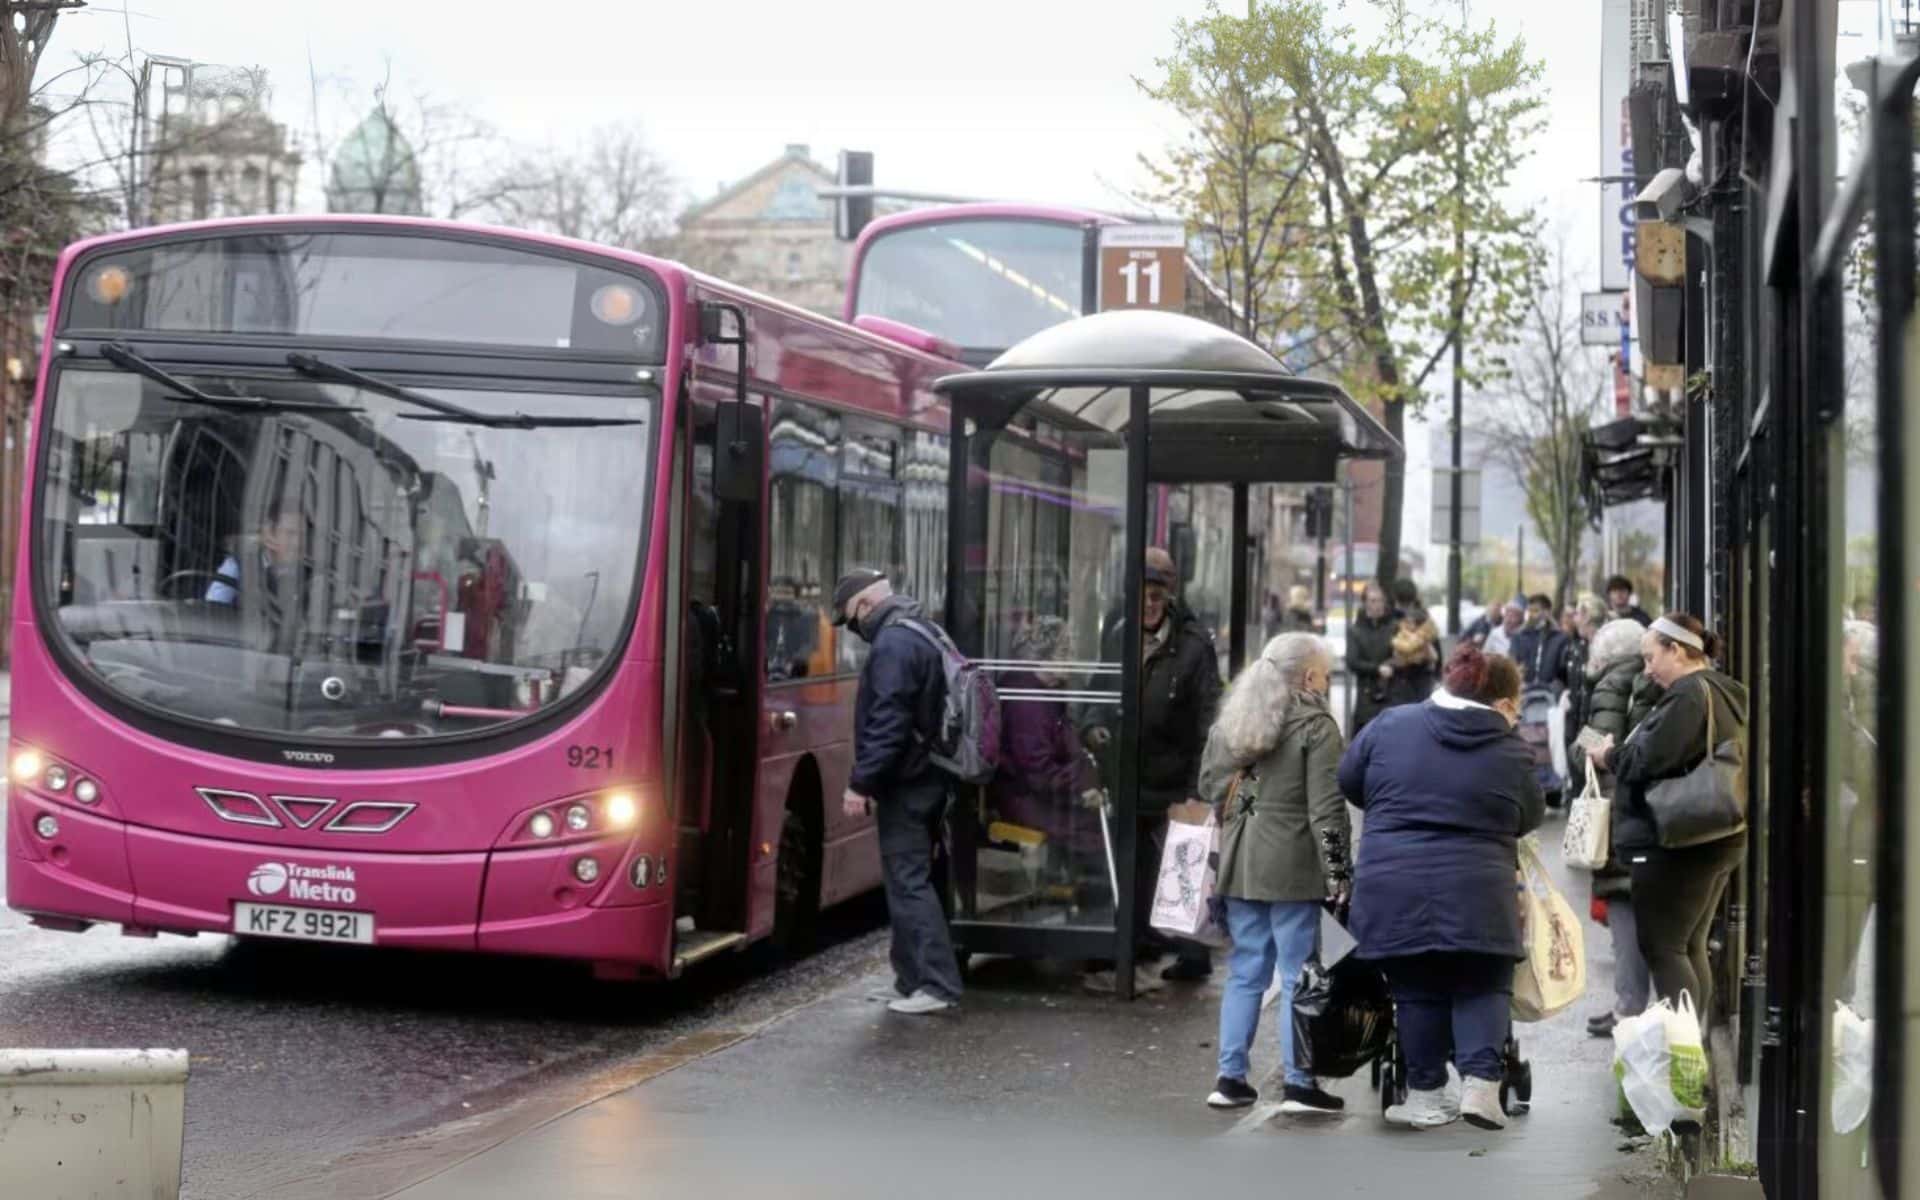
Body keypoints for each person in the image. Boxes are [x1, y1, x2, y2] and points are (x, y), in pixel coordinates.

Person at [1338, 645, 1543, 1131]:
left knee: (1416, 987)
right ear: (1503, 701)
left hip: (1393, 886)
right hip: (1479, 889)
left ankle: (1427, 1095)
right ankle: (1479, 1087)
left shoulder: (1390, 724)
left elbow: (1348, 779)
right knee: (1482, 982)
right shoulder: (1511, 750)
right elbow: (1529, 816)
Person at [1196, 633, 1348, 1115]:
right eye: (1324, 674)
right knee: (1297, 972)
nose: (1325, 683)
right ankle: (1300, 1083)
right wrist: (1339, 871)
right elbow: (1326, 809)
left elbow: (1208, 785)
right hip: (1292, 868)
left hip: (1241, 865)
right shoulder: (1316, 726)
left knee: (1245, 972)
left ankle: (1230, 1078)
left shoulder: (1235, 720)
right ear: (1307, 677)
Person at [1588, 612, 1747, 1029]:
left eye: (1650, 657)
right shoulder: (1719, 689)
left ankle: (1682, 1058)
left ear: (1676, 650)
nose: (1647, 669)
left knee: (1663, 947)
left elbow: (1649, 759)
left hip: (1676, 842)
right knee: (1687, 945)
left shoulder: (1688, 695)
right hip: (1712, 836)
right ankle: (1689, 1050)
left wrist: (1608, 754)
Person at [1083, 546, 1223, 992]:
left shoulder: (1194, 645)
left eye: (1157, 594)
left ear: (1170, 595)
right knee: (1138, 863)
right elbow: (1097, 692)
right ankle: (1138, 941)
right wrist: (1091, 727)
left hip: (1176, 770)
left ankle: (1192, 953)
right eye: (1142, 593)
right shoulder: (1118, 633)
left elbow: (1208, 715)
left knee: (1181, 861)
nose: (1149, 603)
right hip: (1130, 769)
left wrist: (1198, 782)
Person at [833, 568, 964, 1016]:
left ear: (866, 606)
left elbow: (889, 721)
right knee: (911, 879)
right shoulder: (922, 628)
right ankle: (911, 980)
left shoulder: (893, 643)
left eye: (852, 620)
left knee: (908, 883)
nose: (856, 630)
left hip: (908, 783)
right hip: (929, 776)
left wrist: (860, 783)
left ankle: (936, 984)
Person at [1578, 614, 1655, 1038]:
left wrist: (1580, 748)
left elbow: (1595, 747)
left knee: (1623, 906)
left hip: (1617, 811)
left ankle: (1630, 1006)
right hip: (1645, 813)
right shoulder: (1649, 680)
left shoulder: (1611, 683)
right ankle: (1641, 1005)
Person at [206, 509, 306, 606]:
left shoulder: (309, 575)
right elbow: (212, 611)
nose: (298, 542)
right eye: (290, 534)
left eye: (303, 535)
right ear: (271, 534)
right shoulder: (237, 566)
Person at [1345, 581, 1397, 734]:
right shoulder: (1356, 631)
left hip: (1391, 693)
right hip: (1366, 696)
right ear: (1365, 603)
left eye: (1381, 600)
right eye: (1373, 601)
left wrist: (1392, 664)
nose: (1378, 605)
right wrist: (1377, 669)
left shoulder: (1393, 627)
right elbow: (1352, 661)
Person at [1384, 578, 1439, 706]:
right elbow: (1437, 657)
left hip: (1399, 682)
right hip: (1423, 682)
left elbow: (1386, 651)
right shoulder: (1426, 620)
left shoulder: (1391, 621)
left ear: (1395, 599)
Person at [1509, 594, 1571, 696]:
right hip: (1523, 694)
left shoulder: (1561, 639)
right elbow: (1512, 664)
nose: (1531, 615)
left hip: (1550, 696)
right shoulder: (1519, 636)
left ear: (1547, 613)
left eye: (1536, 611)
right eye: (1529, 611)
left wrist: (1553, 690)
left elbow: (1563, 674)